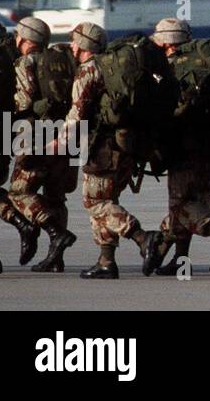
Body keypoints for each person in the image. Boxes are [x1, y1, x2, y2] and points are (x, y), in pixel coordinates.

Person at [49, 22, 165, 279]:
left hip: (102, 147)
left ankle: (143, 238)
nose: (71, 46)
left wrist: (60, 140)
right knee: (107, 201)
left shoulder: (88, 71)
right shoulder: (115, 67)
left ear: (83, 45)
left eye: (74, 41)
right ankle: (106, 261)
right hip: (128, 144)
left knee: (95, 202)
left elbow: (76, 114)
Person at [150, 18, 210, 276]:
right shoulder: (207, 65)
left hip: (182, 147)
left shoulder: (169, 70)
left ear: (166, 43)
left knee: (181, 204)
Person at [7, 16, 76, 272]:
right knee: (57, 197)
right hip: (66, 135)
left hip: (36, 136)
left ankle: (55, 232)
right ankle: (55, 258)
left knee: (19, 192)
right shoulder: (61, 62)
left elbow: (23, 103)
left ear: (24, 39)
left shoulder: (25, 63)